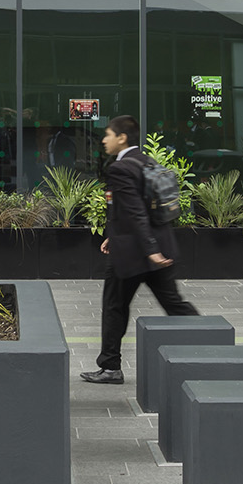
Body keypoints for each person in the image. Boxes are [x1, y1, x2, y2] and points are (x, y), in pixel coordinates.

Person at [81, 115, 198, 385]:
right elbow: (141, 208)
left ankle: (110, 367)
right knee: (174, 304)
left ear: (122, 137)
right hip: (157, 248)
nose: (104, 139)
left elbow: (134, 211)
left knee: (114, 306)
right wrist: (116, 236)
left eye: (108, 134)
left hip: (135, 253)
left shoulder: (120, 168)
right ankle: (210, 346)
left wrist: (149, 249)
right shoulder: (147, 161)